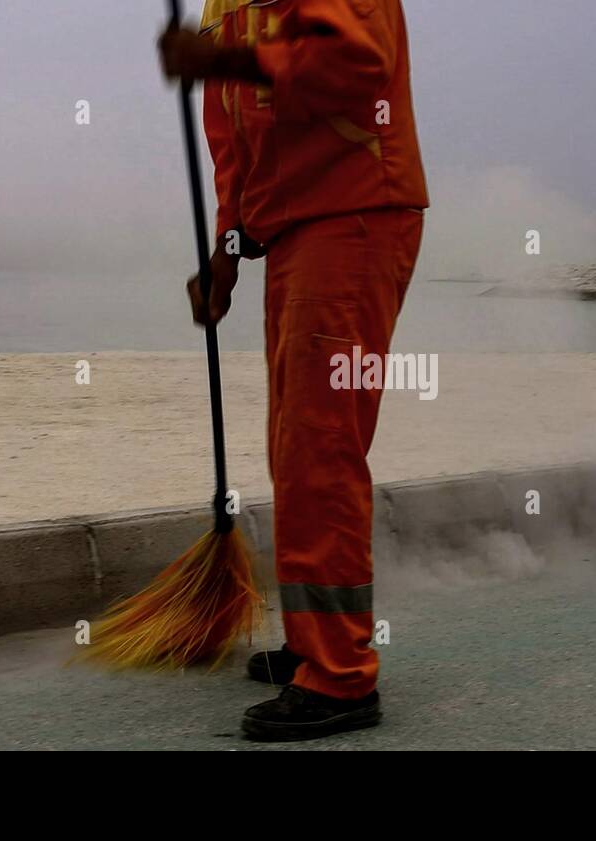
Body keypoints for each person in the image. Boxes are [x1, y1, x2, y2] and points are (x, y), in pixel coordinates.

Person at [158, 0, 427, 741]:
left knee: (320, 444)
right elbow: (234, 133)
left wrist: (228, 60)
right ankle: (315, 644)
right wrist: (225, 248)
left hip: (357, 210)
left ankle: (341, 677)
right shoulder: (224, 6)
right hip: (297, 228)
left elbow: (357, 61)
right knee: (294, 444)